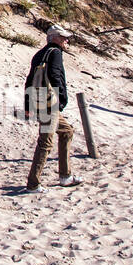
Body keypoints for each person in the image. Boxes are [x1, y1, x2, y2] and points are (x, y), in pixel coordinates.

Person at [24, 25, 82, 193]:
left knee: (67, 131)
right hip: (50, 104)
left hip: (41, 101)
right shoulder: (55, 53)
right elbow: (57, 77)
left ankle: (65, 176)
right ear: (53, 37)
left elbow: (29, 80)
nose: (66, 40)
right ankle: (33, 184)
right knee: (46, 142)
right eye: (63, 37)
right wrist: (62, 100)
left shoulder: (39, 54)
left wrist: (28, 104)